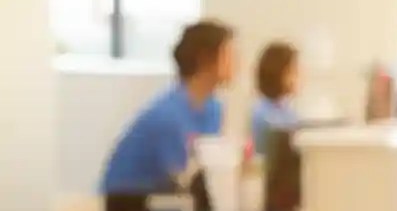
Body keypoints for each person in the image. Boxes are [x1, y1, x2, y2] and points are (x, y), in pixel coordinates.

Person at [101, 20, 237, 196]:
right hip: (127, 208)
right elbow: (182, 180)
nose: (236, 62)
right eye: (228, 55)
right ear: (205, 59)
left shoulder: (214, 109)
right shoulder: (167, 116)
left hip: (167, 205)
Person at [251, 42, 300, 154]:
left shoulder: (286, 109)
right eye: (293, 71)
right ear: (279, 73)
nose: (298, 76)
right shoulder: (262, 113)